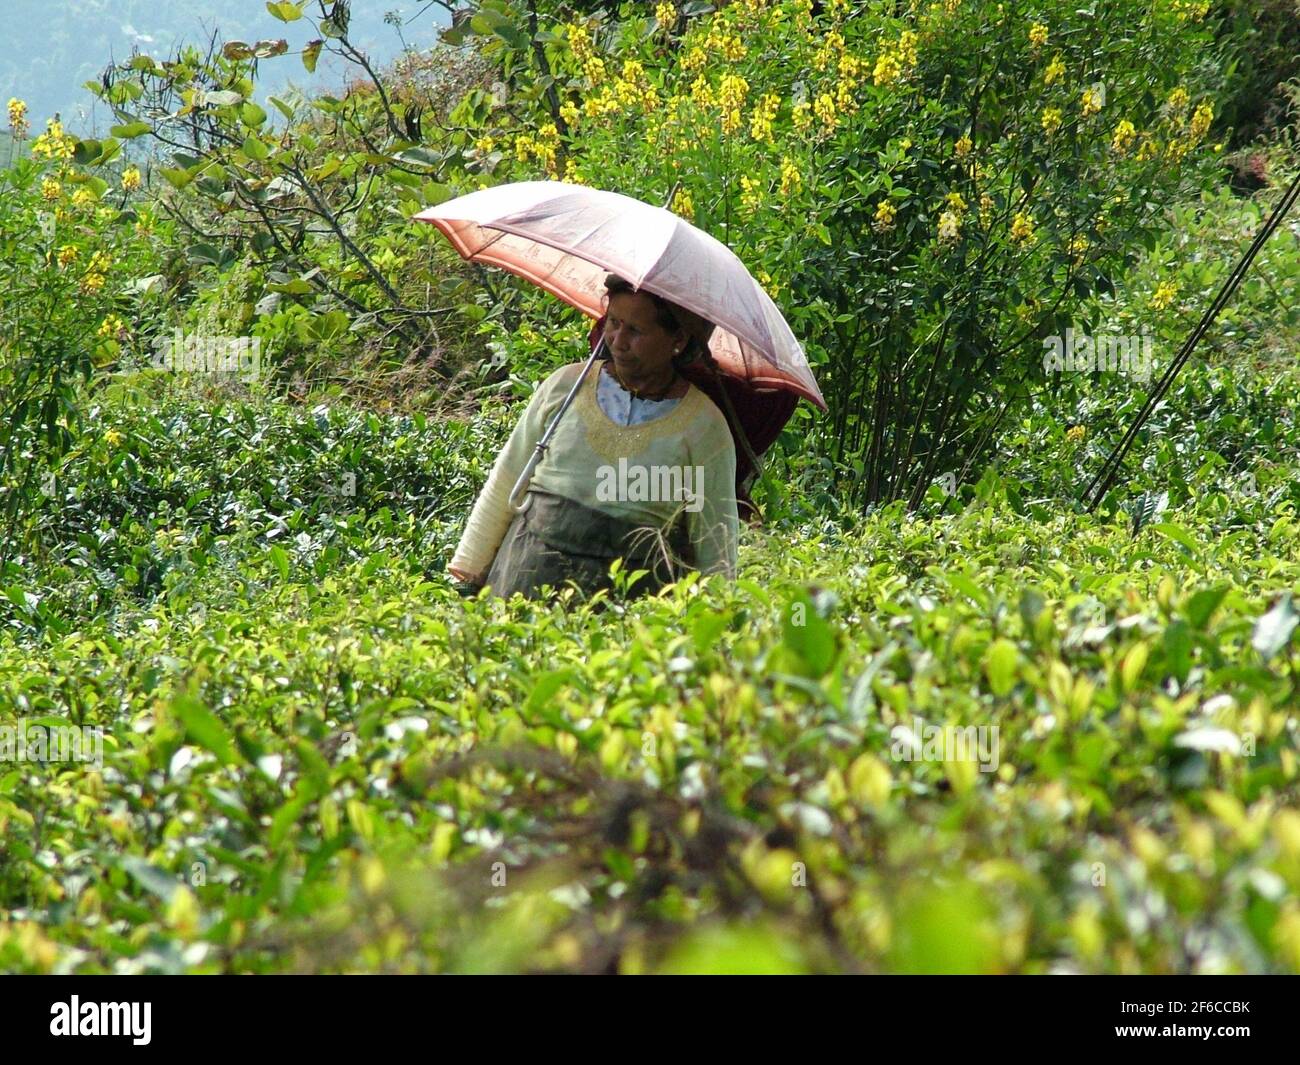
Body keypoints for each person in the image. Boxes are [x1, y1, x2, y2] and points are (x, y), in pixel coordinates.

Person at [447, 273, 739, 602]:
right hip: (524, 582)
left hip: (631, 605)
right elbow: (508, 477)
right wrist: (468, 573)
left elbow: (714, 537)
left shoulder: (703, 427)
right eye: (614, 322)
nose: (617, 340)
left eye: (636, 331)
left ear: (679, 340)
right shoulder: (565, 387)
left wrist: (719, 615)